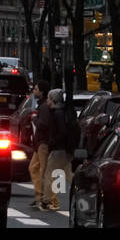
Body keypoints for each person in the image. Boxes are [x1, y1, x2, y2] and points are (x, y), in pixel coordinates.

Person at [43, 89, 77, 211]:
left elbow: (62, 132)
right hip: (64, 149)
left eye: (48, 98)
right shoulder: (60, 112)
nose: (47, 100)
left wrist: (52, 142)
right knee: (68, 174)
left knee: (49, 174)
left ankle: (46, 200)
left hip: (58, 149)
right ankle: (81, 190)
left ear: (53, 99)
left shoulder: (57, 113)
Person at [28, 80, 53, 210]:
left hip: (43, 143)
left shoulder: (43, 107)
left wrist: (34, 118)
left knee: (44, 171)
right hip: (39, 143)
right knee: (33, 168)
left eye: (36, 89)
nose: (34, 91)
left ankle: (48, 199)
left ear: (42, 92)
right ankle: (40, 197)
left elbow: (43, 125)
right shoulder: (42, 106)